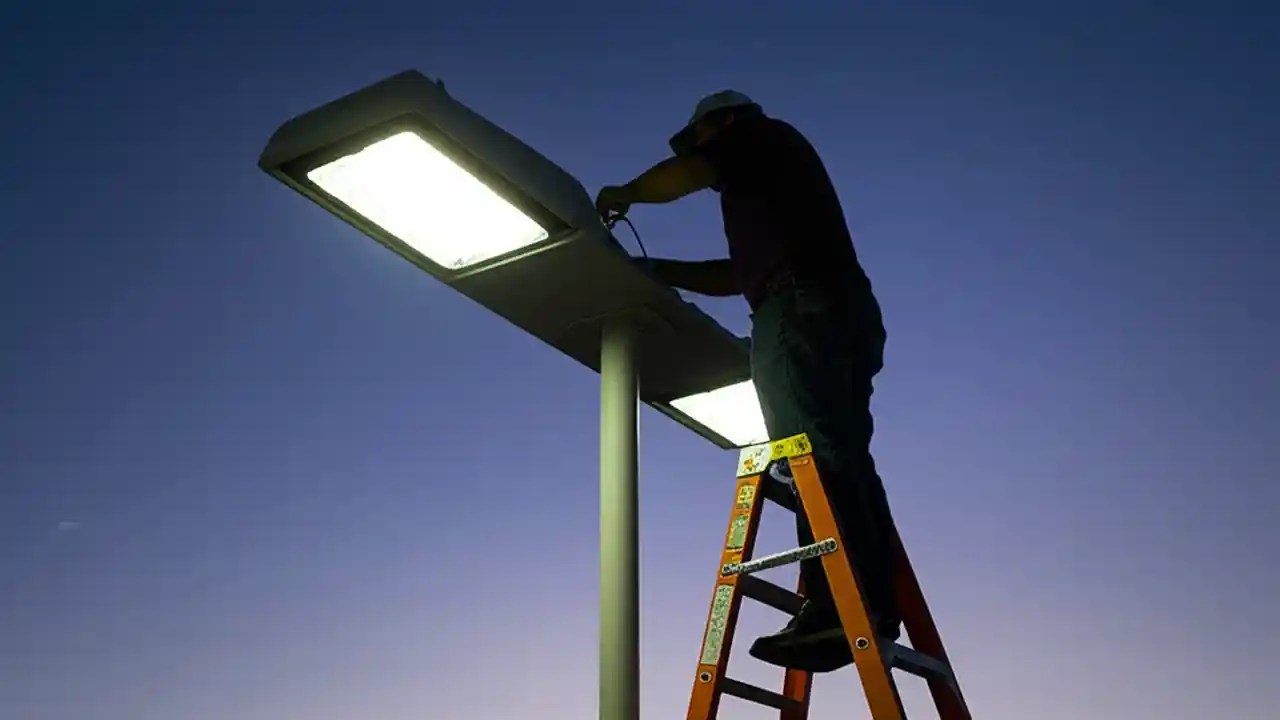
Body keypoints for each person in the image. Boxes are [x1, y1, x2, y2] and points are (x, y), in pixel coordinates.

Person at [595, 91, 901, 673]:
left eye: (700, 141)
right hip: (840, 311)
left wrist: (625, 193)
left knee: (809, 453)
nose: (701, 158)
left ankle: (834, 602)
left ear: (724, 122)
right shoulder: (776, 191)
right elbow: (734, 275)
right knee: (841, 454)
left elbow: (685, 175)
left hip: (802, 308)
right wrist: (659, 270)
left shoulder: (757, 139)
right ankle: (869, 599)